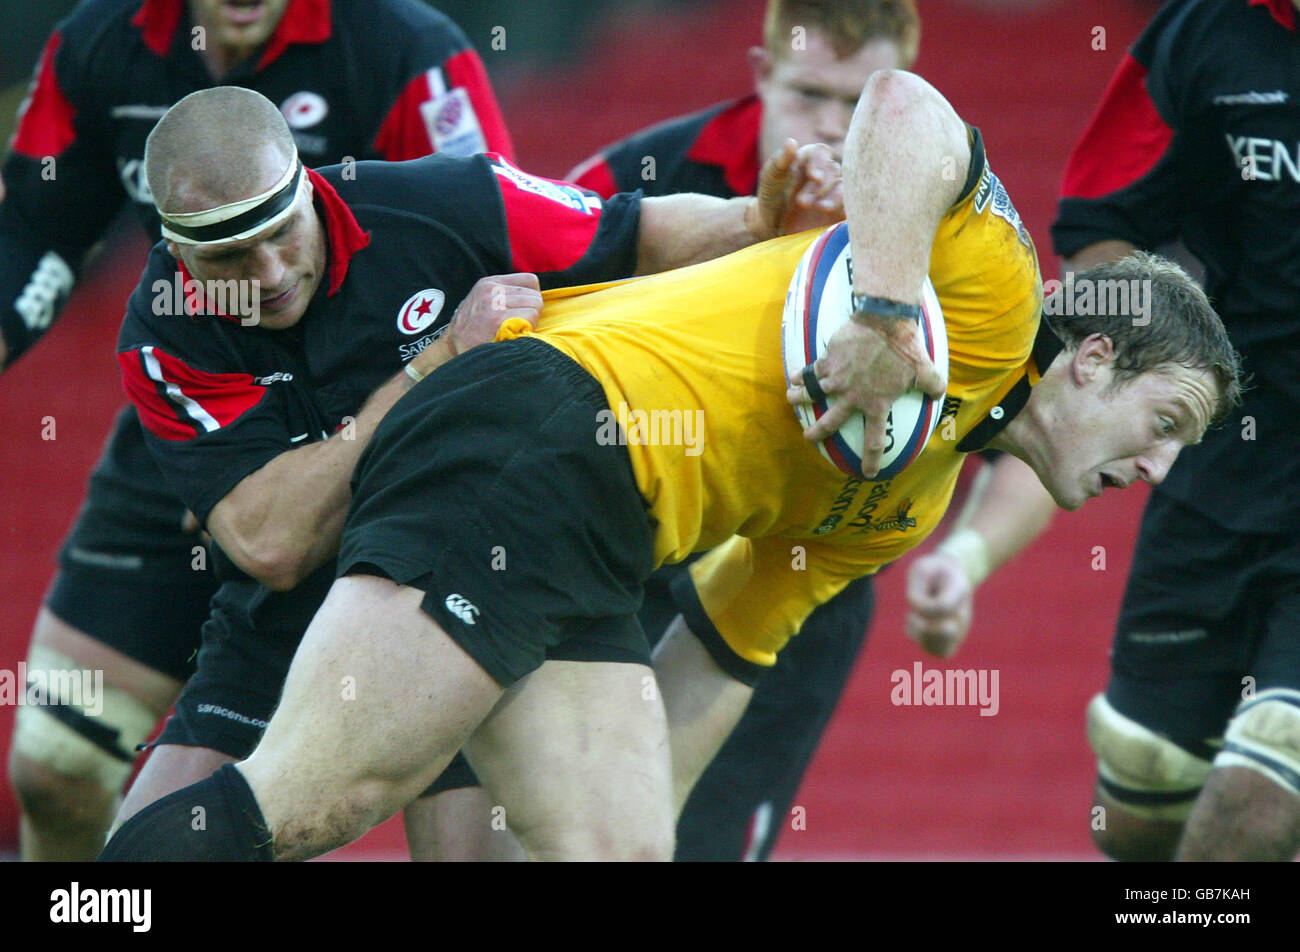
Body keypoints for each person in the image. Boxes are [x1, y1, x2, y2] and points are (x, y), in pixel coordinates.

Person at [99, 68, 1240, 862]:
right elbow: (903, 104)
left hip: (601, 534)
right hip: (537, 430)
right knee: (313, 800)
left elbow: (709, 664)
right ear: (1091, 357)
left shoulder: (907, 504)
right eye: (1166, 418)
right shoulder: (983, 288)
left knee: (623, 845)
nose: (1155, 467)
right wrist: (889, 308)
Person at [90, 81, 839, 855]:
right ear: (177, 253)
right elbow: (273, 544)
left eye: (283, 232)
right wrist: (432, 365)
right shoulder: (162, 330)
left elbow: (636, 231)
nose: (271, 271)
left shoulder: (449, 200)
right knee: (138, 861)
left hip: (476, 572)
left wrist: (754, 219)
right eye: (230, 257)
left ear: (310, 188)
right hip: (287, 618)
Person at [1, 0, 517, 862]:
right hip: (199, 429)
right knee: (54, 766)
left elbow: (488, 235)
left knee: (461, 837)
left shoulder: (407, 51)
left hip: (386, 455)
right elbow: (33, 227)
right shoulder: (96, 49)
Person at [567, 0, 1055, 860]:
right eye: (807, 94)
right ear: (759, 73)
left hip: (795, 566)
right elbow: (539, 295)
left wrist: (962, 557)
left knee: (703, 845)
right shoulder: (640, 176)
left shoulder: (935, 208)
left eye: (853, 101)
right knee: (573, 828)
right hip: (622, 542)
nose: (831, 125)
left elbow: (1034, 418)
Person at [1052, 0, 1300, 862]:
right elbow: (1093, 233)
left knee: (1258, 800)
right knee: (1140, 801)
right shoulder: (1201, 34)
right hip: (1222, 475)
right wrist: (1147, 369)